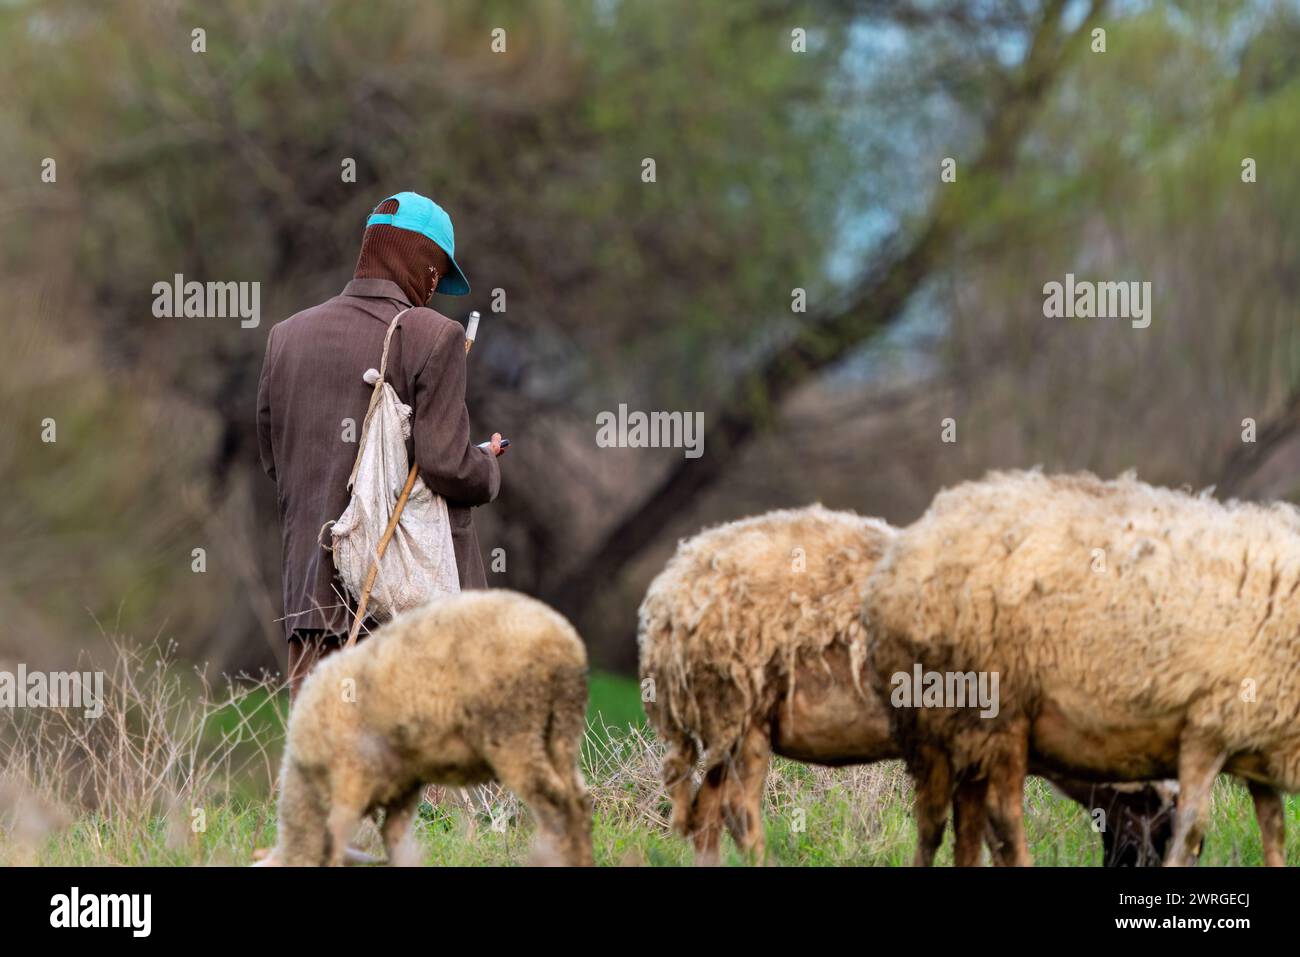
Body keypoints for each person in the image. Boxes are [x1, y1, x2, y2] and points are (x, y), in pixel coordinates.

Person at [257, 191, 505, 700]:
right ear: (423, 265)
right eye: (437, 272)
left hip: (310, 605)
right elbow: (445, 465)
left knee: (326, 770)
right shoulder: (434, 335)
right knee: (420, 771)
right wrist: (485, 463)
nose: (435, 289)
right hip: (403, 607)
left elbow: (275, 460)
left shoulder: (286, 336)